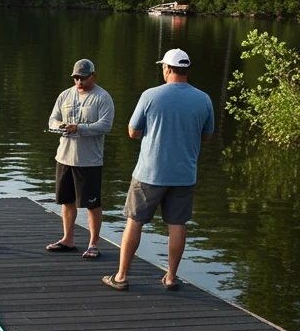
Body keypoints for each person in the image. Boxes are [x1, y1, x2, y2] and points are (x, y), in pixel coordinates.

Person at [102, 48, 215, 291]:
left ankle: (121, 277)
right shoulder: (204, 99)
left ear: (168, 68)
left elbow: (132, 131)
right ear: (186, 70)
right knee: (177, 225)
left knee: (135, 221)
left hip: (149, 173)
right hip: (184, 174)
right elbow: (207, 136)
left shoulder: (151, 95)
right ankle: (171, 277)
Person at [46, 59, 114, 259]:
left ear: (93, 75)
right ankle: (68, 239)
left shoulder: (103, 97)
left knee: (92, 203)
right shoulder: (65, 95)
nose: (79, 81)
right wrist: (59, 126)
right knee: (66, 201)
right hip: (64, 157)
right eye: (76, 77)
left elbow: (106, 125)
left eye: (83, 78)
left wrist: (80, 128)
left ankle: (93, 244)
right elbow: (51, 120)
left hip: (89, 161)